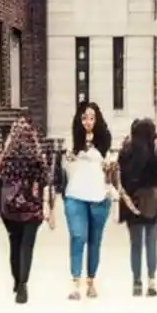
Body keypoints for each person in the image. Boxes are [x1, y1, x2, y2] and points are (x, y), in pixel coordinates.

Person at [0, 117, 52, 304]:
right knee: (27, 246)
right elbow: (45, 177)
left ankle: (16, 280)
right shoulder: (35, 156)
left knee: (14, 243)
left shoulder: (8, 156)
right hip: (31, 206)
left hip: (10, 207)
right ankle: (23, 284)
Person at [116, 118, 157, 297]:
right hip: (153, 203)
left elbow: (120, 175)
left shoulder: (126, 154)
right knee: (151, 244)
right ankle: (152, 280)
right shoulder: (155, 155)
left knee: (135, 245)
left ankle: (136, 282)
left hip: (132, 203)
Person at [64, 101, 114, 300]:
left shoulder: (105, 141)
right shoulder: (72, 139)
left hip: (99, 196)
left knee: (95, 240)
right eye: (84, 118)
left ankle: (91, 281)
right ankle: (75, 282)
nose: (88, 122)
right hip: (75, 194)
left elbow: (110, 166)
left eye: (92, 118)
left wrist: (109, 167)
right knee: (78, 236)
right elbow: (64, 166)